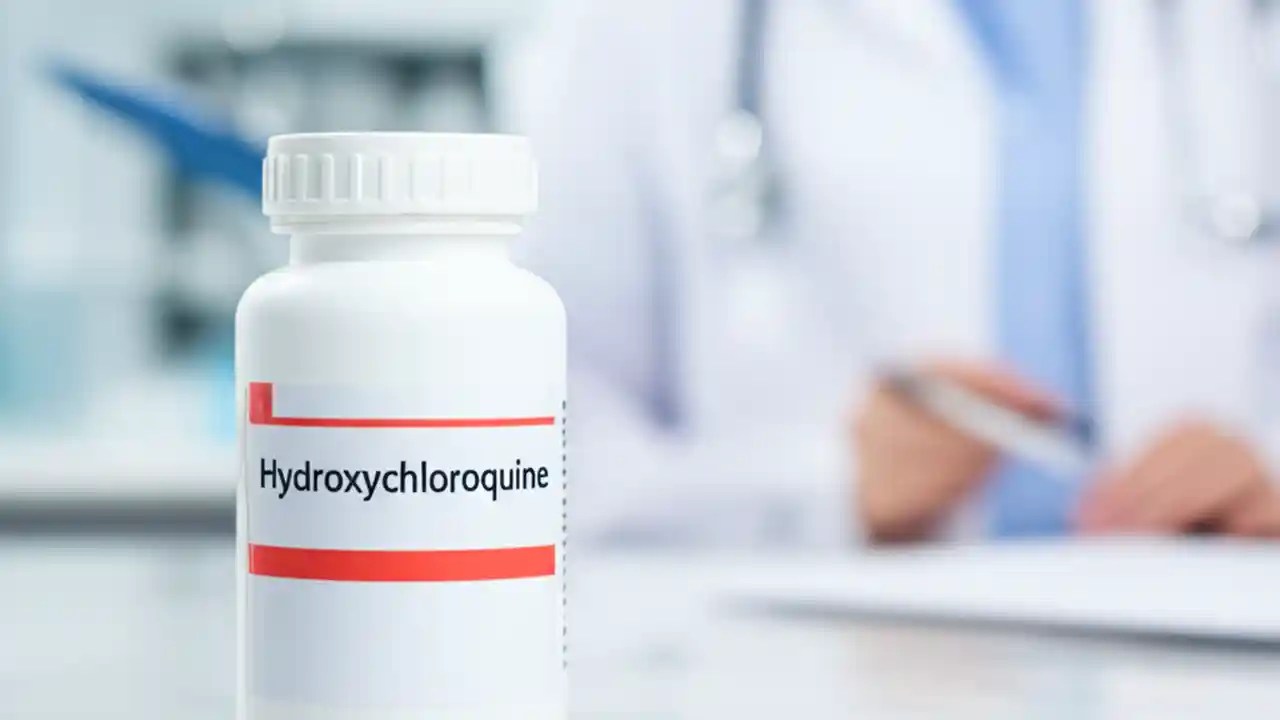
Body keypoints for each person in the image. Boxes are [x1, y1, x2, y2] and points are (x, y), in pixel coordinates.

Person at [516, 0, 1280, 543]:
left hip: (1192, 646)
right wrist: (824, 484)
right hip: (803, 671)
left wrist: (1264, 480)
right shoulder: (650, 25)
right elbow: (535, 430)